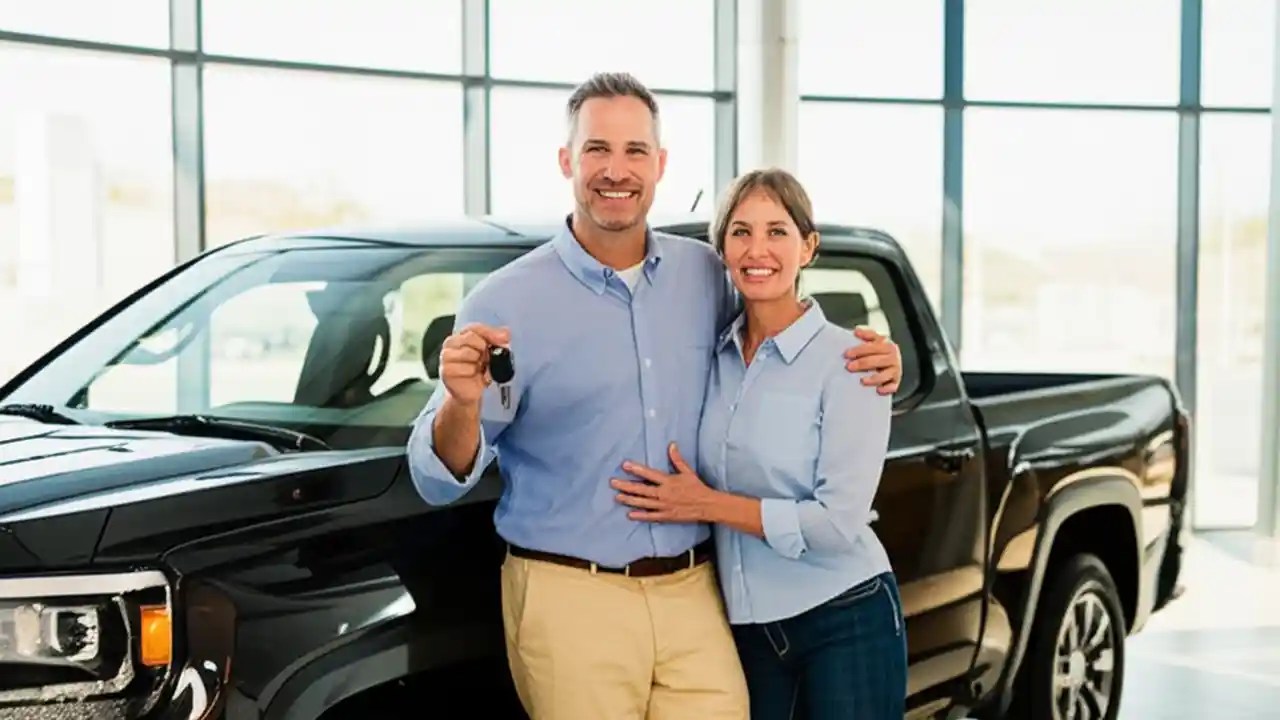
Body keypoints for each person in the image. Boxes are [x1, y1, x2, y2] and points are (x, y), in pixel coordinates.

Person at [406, 72, 903, 720]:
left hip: (697, 593)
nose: (617, 170)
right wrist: (462, 404)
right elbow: (439, 478)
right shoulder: (506, 303)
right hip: (569, 597)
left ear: (660, 164)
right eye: (597, 150)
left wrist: (870, 355)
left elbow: (776, 328)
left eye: (636, 150)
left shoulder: (707, 275)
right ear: (567, 160)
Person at [610, 166, 907, 719]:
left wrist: (705, 505)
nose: (757, 249)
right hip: (744, 630)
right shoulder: (710, 356)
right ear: (721, 248)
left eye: (777, 231)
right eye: (740, 232)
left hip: (843, 616)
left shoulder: (851, 366)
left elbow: (838, 522)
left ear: (808, 247)